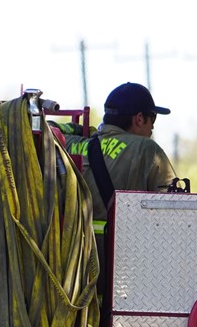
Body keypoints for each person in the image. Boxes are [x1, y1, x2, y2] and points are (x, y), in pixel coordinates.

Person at [64, 82, 177, 223]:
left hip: (78, 244)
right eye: (153, 117)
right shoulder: (146, 149)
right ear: (140, 119)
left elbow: (40, 128)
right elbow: (176, 207)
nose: (153, 125)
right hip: (124, 244)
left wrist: (77, 129)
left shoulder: (70, 144)